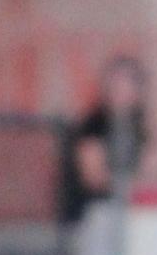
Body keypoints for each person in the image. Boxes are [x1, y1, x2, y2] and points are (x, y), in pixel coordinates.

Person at [60, 55, 147, 221]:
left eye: (127, 84)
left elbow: (151, 167)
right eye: (116, 84)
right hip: (93, 212)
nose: (121, 90)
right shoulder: (93, 125)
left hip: (129, 211)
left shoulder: (139, 129)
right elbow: (93, 178)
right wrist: (130, 187)